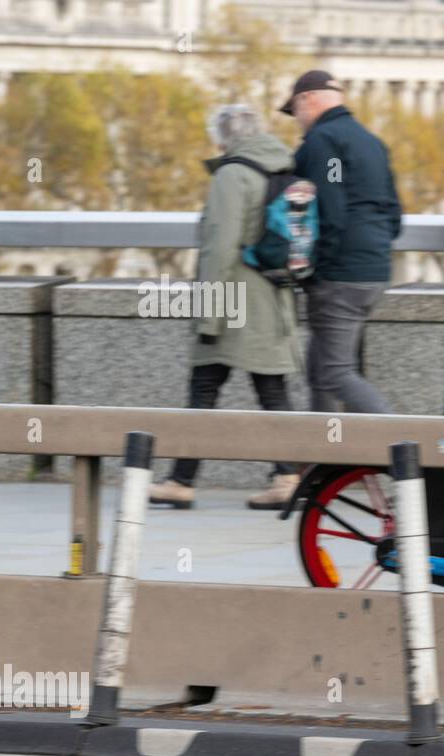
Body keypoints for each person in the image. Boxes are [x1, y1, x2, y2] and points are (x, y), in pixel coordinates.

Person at [149, 104, 301, 511]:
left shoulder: (233, 174)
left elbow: (219, 247)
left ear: (223, 137)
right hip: (272, 296)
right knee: (269, 387)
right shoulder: (282, 167)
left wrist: (208, 312)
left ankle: (183, 481)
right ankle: (287, 477)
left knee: (205, 388)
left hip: (234, 298)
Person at [281, 69, 401, 414]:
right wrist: (372, 251)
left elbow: (329, 211)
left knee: (334, 373)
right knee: (321, 369)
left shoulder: (324, 141)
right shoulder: (371, 142)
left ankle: (404, 446)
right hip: (373, 270)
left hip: (341, 275)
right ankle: (327, 460)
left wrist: (316, 265)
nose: (298, 121)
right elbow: (394, 212)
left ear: (307, 98)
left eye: (295, 111)